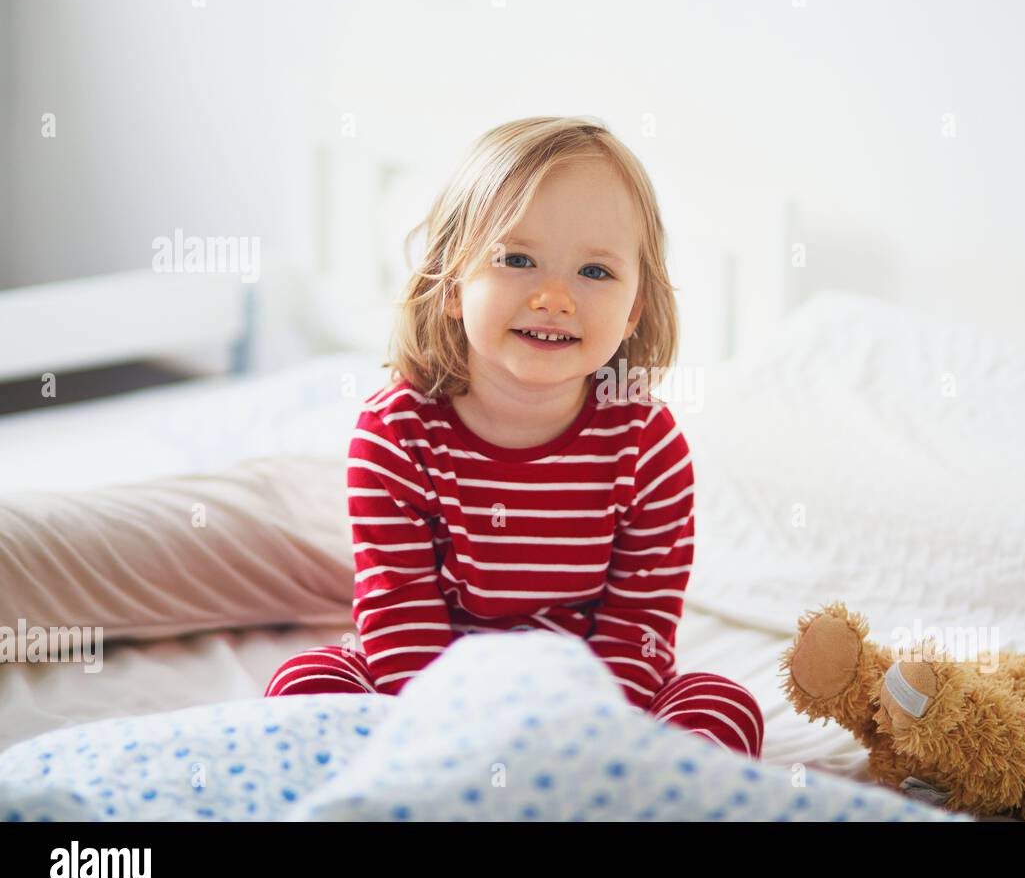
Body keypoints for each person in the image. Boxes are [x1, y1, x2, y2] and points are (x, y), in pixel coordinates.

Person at [265, 116, 763, 759]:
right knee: (305, 682)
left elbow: (638, 628)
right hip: (426, 691)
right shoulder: (396, 433)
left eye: (595, 272)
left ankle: (620, 795)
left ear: (634, 307)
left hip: (589, 698)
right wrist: (458, 742)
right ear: (451, 282)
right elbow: (400, 621)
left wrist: (581, 737)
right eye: (517, 260)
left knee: (723, 707)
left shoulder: (649, 446)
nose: (554, 297)